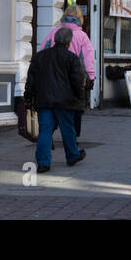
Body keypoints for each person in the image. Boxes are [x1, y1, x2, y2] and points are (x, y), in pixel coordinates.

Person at [24, 26, 87, 173]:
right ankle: (72, 156)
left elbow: (31, 78)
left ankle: (43, 162)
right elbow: (77, 81)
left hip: (44, 100)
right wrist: (80, 97)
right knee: (68, 129)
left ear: (55, 40)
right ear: (69, 42)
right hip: (66, 101)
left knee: (45, 130)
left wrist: (28, 97)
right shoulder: (72, 58)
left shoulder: (40, 56)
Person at [41, 4, 94, 138]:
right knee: (76, 108)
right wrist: (90, 77)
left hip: (54, 77)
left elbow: (43, 52)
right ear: (80, 18)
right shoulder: (82, 37)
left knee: (54, 107)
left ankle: (49, 134)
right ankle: (73, 139)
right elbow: (87, 59)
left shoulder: (54, 32)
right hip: (74, 78)